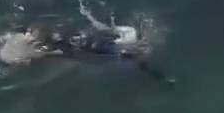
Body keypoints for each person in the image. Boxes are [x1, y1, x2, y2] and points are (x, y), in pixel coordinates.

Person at [24, 24, 173, 84]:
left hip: (105, 53)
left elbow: (47, 54)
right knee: (128, 52)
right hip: (102, 49)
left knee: (131, 57)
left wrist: (30, 56)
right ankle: (160, 76)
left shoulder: (63, 49)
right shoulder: (63, 40)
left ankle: (161, 77)